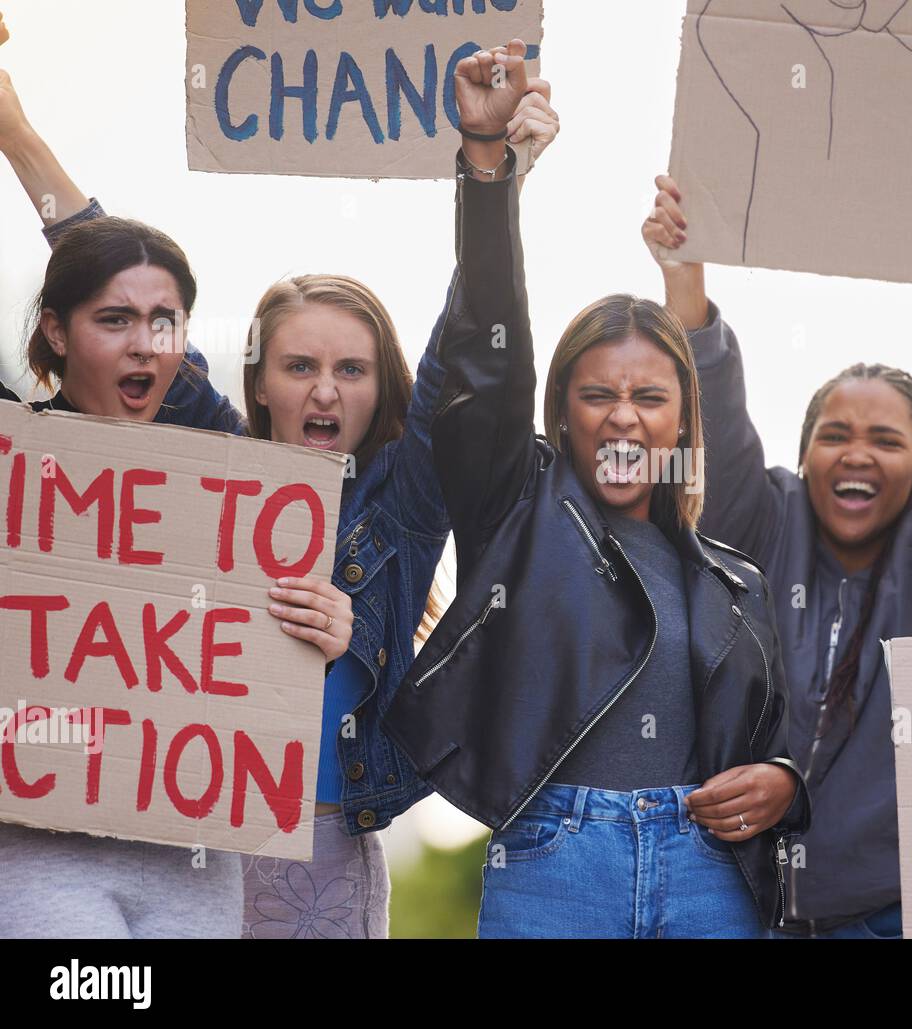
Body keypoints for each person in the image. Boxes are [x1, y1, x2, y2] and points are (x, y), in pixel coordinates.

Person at [0, 42, 560, 937]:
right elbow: (105, 276)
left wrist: (493, 177)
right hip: (163, 837)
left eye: (352, 368)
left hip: (320, 844)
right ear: (259, 383)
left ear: (383, 389)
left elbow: (468, 345)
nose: (326, 390)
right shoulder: (210, 460)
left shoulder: (406, 501)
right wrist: (14, 128)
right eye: (300, 365)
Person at [379, 40, 809, 939]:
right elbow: (484, 367)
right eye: (597, 395)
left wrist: (784, 784)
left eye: (649, 397)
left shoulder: (738, 580)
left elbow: (786, 736)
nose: (623, 418)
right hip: (554, 862)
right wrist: (489, 170)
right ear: (560, 413)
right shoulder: (517, 511)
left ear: (682, 417)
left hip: (707, 874)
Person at [641, 175, 912, 937]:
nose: (857, 454)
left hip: (894, 915)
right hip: (733, 905)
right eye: (835, 434)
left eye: (886, 440)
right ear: (803, 457)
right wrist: (684, 279)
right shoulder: (759, 534)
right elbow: (715, 420)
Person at [0, 154, 348, 944]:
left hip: (193, 861)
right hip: (34, 850)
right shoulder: (9, 456)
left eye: (165, 323)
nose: (143, 345)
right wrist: (14, 131)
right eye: (112, 319)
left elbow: (255, 665)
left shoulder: (235, 475)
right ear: (56, 329)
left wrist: (324, 631)